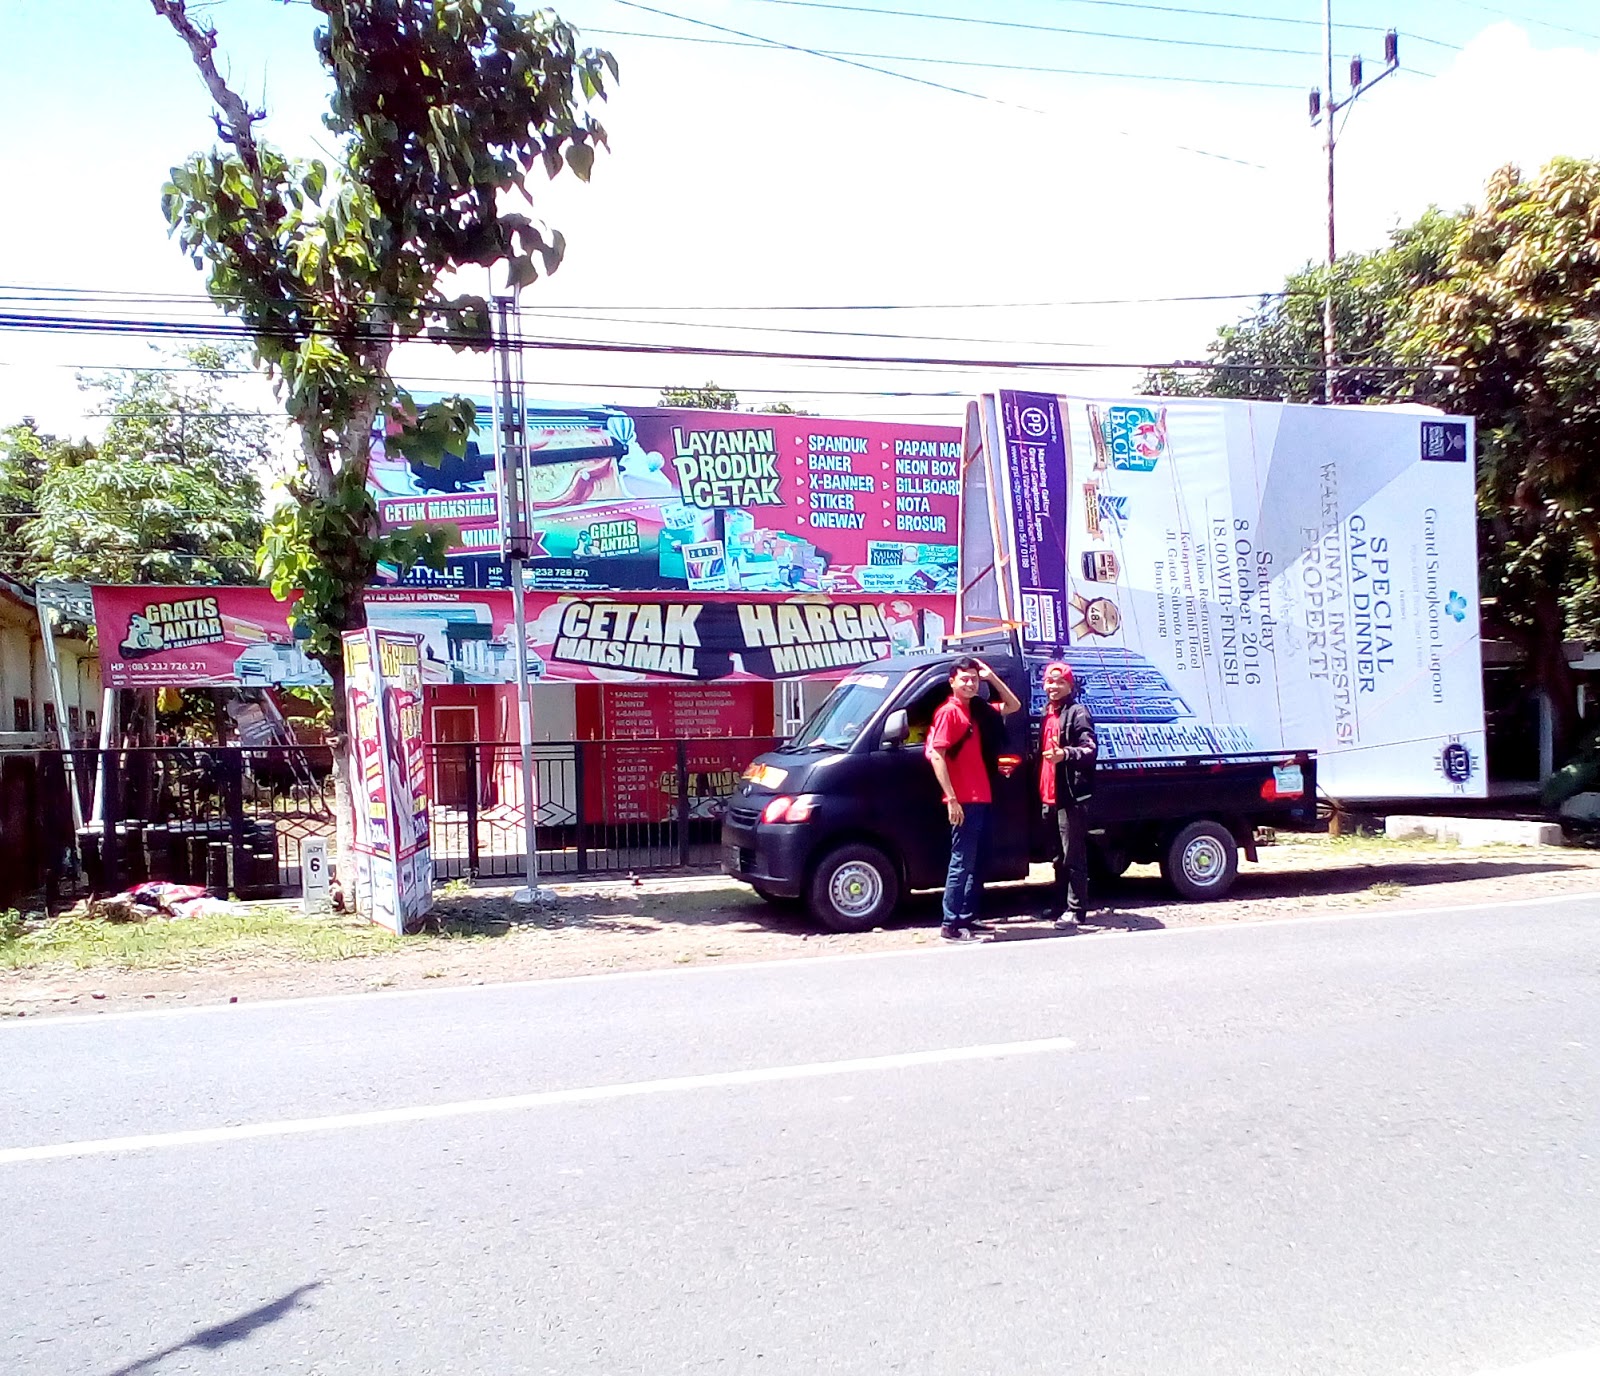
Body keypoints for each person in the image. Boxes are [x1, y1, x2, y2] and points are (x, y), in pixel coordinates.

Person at [925, 656, 1022, 941]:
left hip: (983, 796)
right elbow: (937, 755)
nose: (970, 684)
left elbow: (1013, 705)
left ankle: (968, 917)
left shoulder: (978, 710)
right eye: (964, 679)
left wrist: (991, 677)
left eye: (974, 679)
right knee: (961, 862)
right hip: (964, 800)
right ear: (952, 681)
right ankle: (950, 925)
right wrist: (952, 799)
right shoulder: (949, 713)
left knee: (978, 861)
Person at [1039, 661, 1098, 929]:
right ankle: (1060, 904)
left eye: (1059, 682)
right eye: (1050, 682)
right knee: (1057, 856)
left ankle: (1076, 910)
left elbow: (1089, 749)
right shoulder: (1047, 713)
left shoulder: (1078, 713)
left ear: (1069, 686)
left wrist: (1065, 754)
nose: (1053, 686)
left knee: (1073, 855)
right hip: (1048, 795)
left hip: (1070, 796)